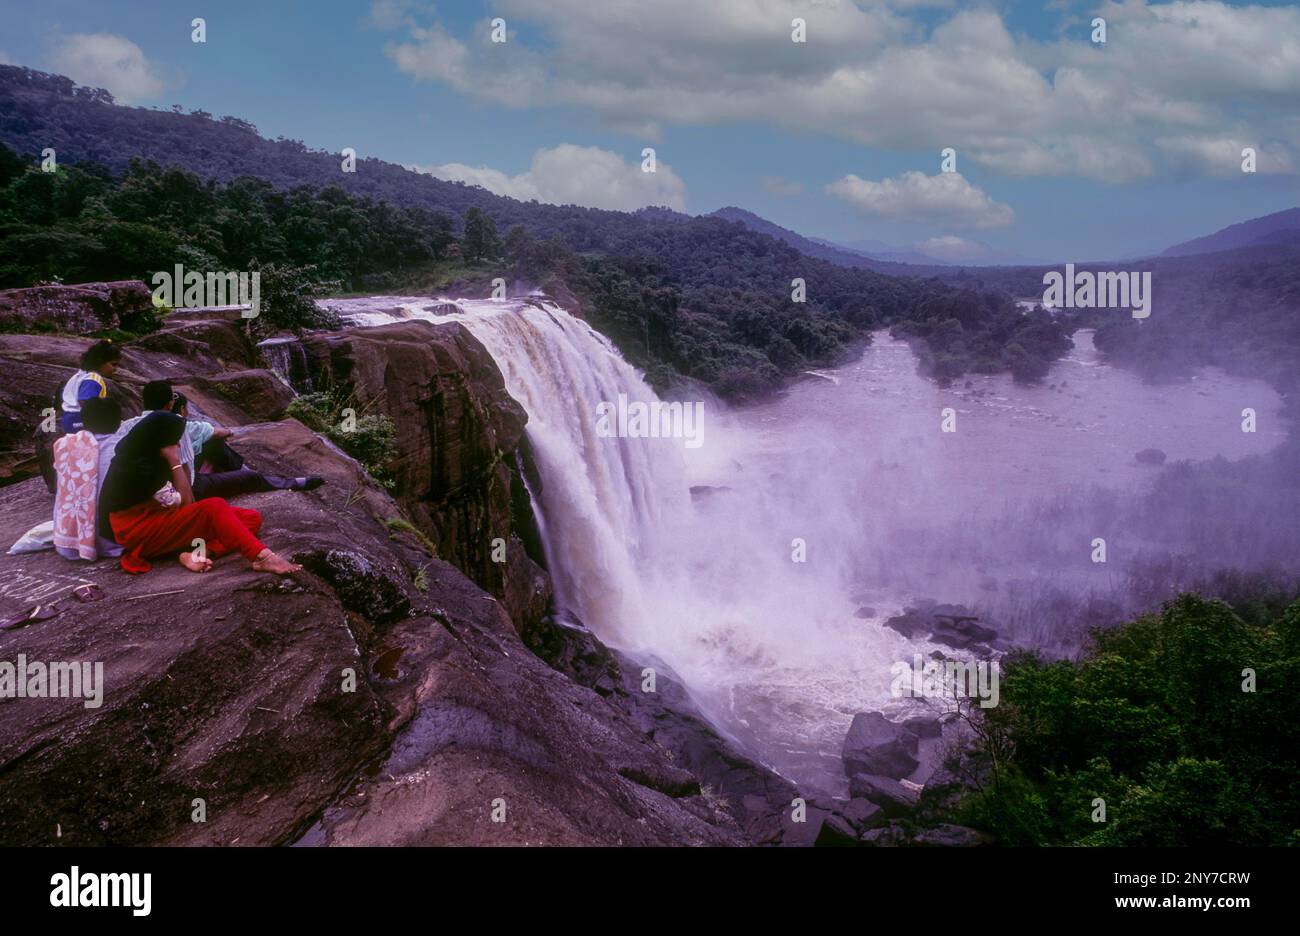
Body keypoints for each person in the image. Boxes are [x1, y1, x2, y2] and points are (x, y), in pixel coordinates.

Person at [98, 411, 301, 576]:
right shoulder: (137, 468)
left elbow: (186, 504)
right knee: (214, 507)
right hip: (138, 531)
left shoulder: (145, 454)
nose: (178, 444)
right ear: (161, 440)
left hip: (157, 517)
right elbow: (187, 503)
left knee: (250, 518)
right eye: (174, 440)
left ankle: (198, 552)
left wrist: (176, 461)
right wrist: (175, 461)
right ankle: (263, 558)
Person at [136, 379, 323, 498]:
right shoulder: (178, 425)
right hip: (184, 489)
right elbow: (183, 474)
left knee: (211, 443)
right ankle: (277, 481)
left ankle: (243, 473)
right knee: (250, 478)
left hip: (151, 488)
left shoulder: (129, 426)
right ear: (170, 405)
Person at [59, 340, 121, 433]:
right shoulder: (92, 379)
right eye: (113, 364)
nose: (116, 369)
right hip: (79, 420)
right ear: (100, 362)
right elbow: (86, 402)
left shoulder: (81, 374)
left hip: (70, 419)